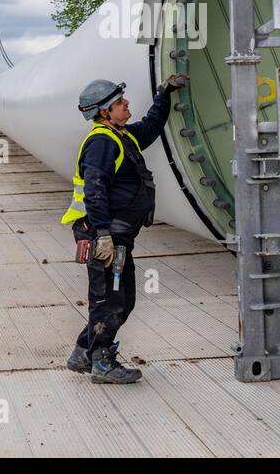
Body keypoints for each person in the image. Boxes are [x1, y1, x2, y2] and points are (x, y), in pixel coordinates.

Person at [60, 73, 188, 384]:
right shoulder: (101, 143)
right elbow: (95, 190)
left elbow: (150, 126)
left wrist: (164, 93)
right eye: (119, 102)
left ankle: (82, 353)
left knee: (122, 299)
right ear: (104, 112)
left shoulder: (121, 137)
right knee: (110, 300)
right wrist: (102, 234)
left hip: (116, 236)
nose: (126, 103)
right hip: (104, 236)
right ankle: (101, 362)